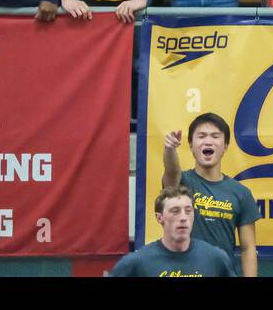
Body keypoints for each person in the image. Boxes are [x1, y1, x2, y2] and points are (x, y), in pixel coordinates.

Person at [160, 113, 256, 276]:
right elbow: (171, 171)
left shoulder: (241, 193)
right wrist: (170, 149)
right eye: (201, 136)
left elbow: (248, 248)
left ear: (225, 146)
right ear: (191, 145)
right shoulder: (181, 183)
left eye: (215, 136)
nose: (208, 141)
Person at [109, 184, 234, 277]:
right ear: (159, 218)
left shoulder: (216, 258)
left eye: (188, 211)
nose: (183, 218)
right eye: (175, 211)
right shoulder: (138, 262)